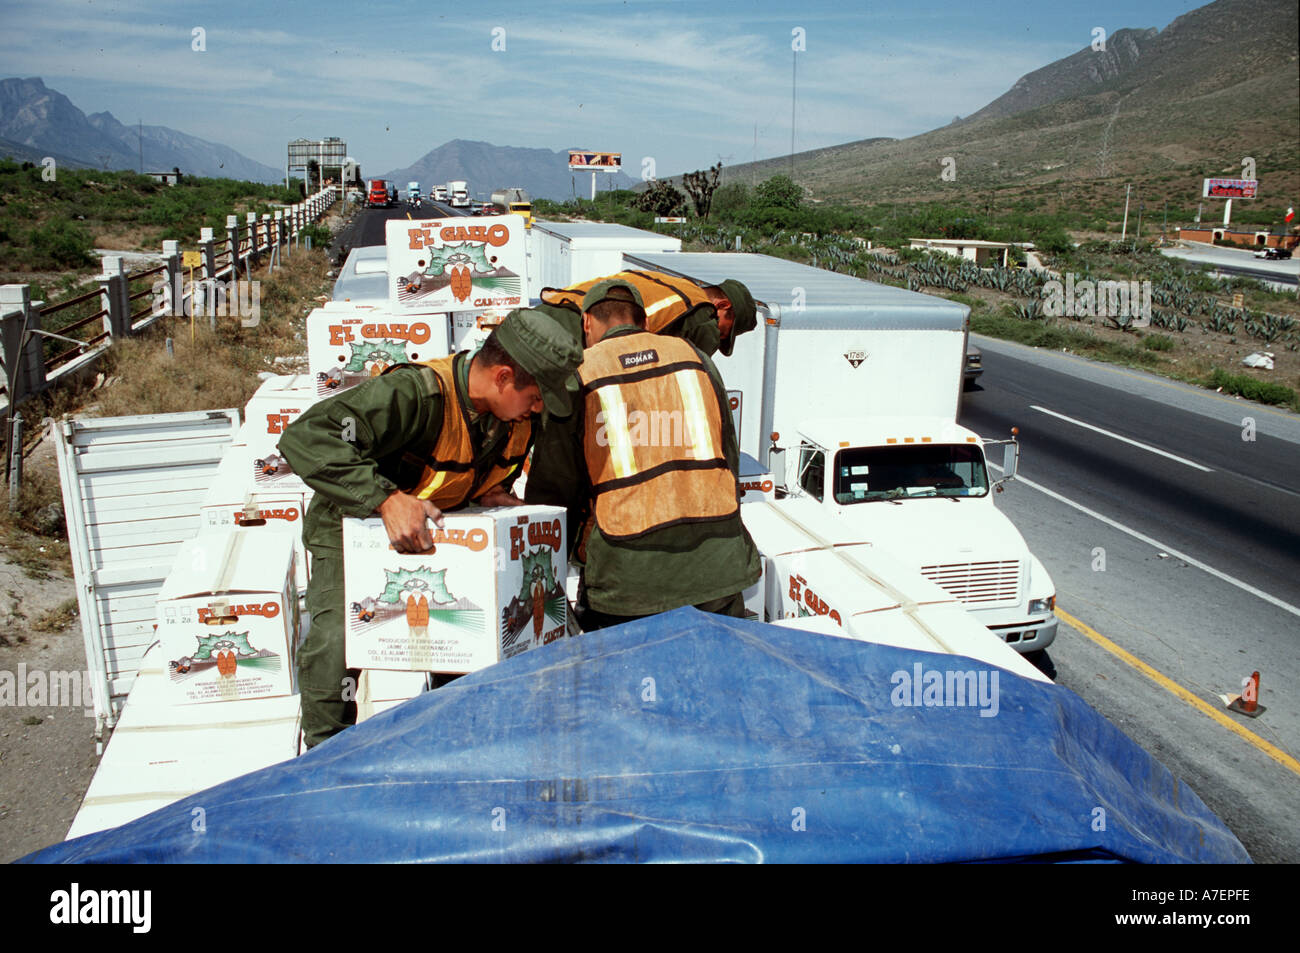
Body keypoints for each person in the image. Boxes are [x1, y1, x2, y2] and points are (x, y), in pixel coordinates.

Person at [279, 308, 582, 748]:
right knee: (337, 642)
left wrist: (486, 491)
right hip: (353, 522)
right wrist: (385, 499)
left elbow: (461, 466)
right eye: (536, 396)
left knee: (468, 631)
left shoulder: (513, 417)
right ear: (502, 378)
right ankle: (326, 757)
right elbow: (306, 436)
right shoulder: (414, 394)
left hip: (438, 524)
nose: (538, 408)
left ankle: (457, 736)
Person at [525, 279, 760, 629]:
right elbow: (728, 458)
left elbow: (556, 489)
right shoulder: (696, 359)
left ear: (586, 323)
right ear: (645, 322)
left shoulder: (578, 373)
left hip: (628, 585)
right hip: (719, 570)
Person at [540, 270, 758, 357]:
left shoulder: (677, 286)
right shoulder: (703, 317)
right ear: (723, 306)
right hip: (573, 338)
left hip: (549, 311)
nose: (717, 338)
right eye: (724, 333)